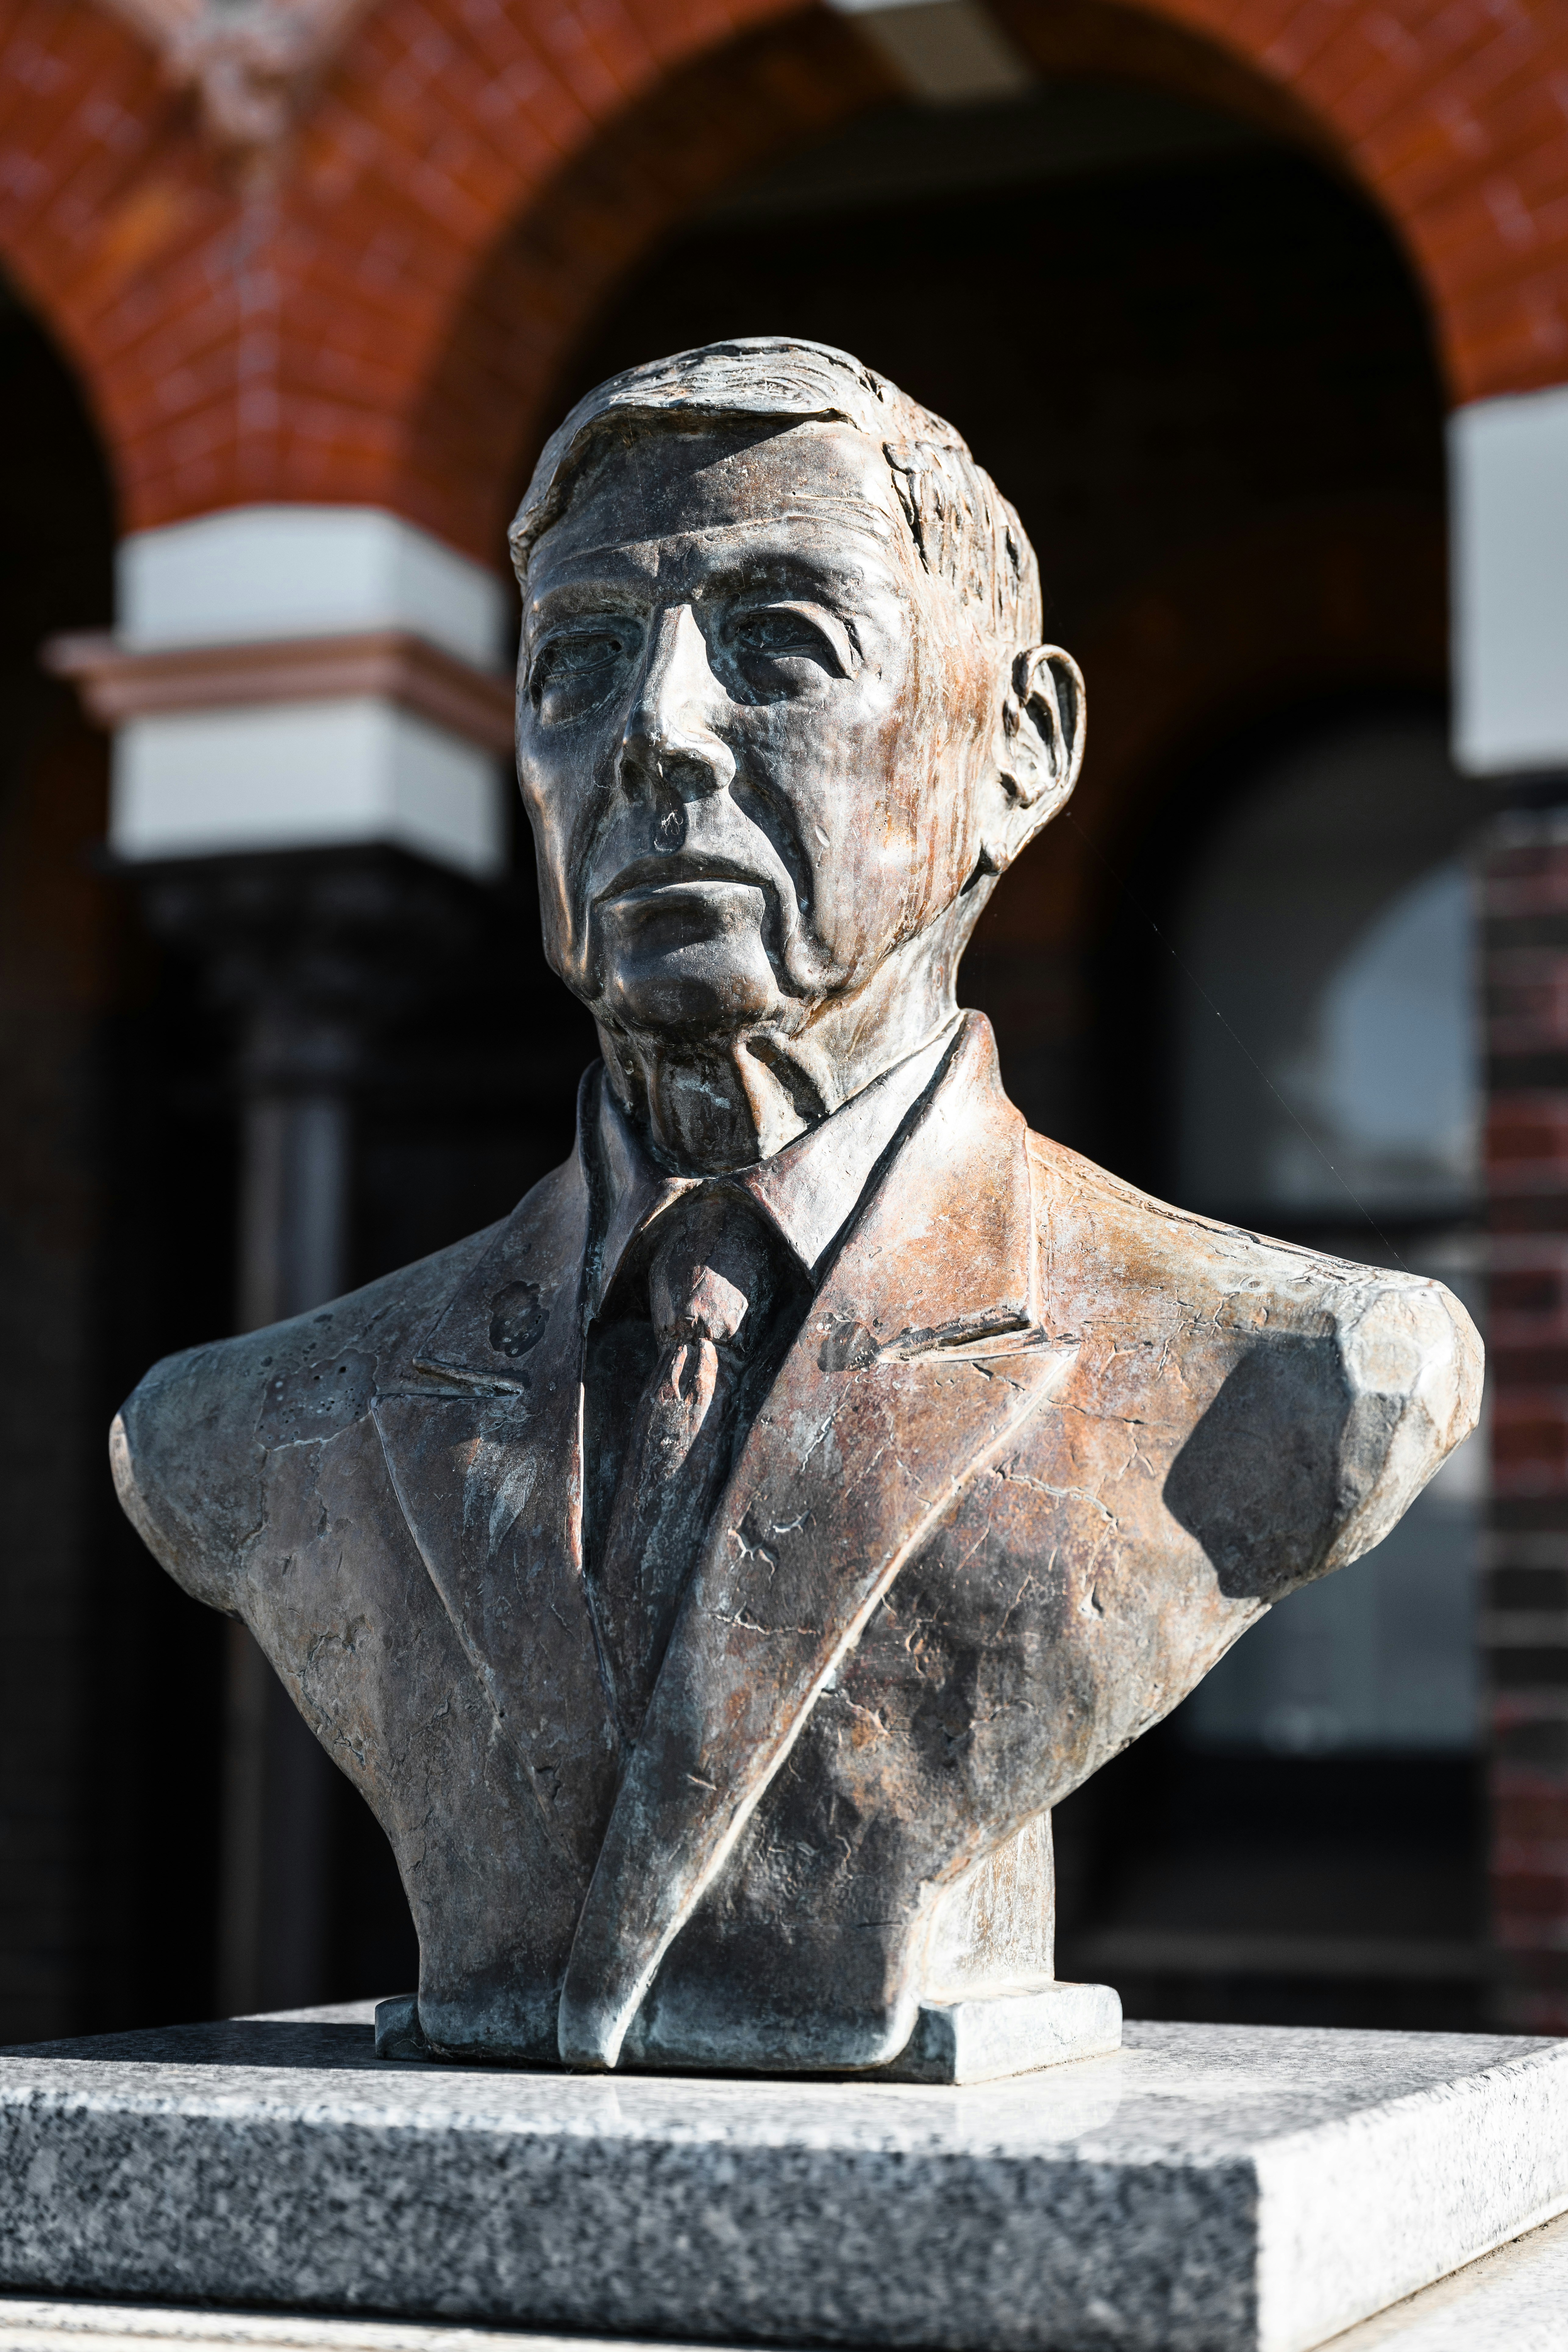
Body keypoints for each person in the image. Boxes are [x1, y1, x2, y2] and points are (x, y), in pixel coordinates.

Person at [112, 340, 1481, 2074]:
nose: (657, 735)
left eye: (779, 644)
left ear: (1019, 749)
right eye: (581, 663)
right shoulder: (253, 1427)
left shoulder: (1284, 1377)